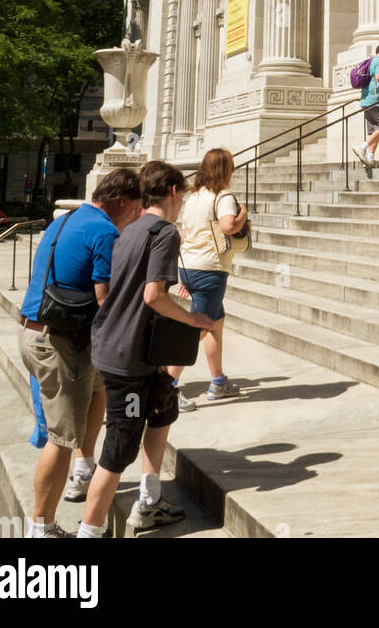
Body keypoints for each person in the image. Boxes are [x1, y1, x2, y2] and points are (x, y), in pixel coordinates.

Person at [77, 161, 214, 538]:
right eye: (182, 194)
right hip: (128, 358)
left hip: (121, 347)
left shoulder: (131, 227)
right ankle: (89, 532)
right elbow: (153, 295)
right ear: (173, 192)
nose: (183, 201)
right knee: (119, 450)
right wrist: (194, 320)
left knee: (163, 407)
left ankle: (150, 499)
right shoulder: (164, 232)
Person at [18, 168, 143, 538]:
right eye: (136, 209)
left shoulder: (69, 218)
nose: (136, 216)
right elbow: (106, 299)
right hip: (60, 344)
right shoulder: (104, 230)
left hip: (37, 330)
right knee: (61, 440)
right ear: (123, 201)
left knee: (97, 393)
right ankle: (40, 529)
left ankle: (84, 468)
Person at [168, 147, 248, 410]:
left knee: (216, 323)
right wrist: (242, 216)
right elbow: (228, 227)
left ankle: (218, 380)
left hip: (188, 266)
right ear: (226, 170)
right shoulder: (223, 196)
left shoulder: (195, 197)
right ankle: (166, 387)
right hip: (210, 269)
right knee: (199, 328)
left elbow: (184, 232)